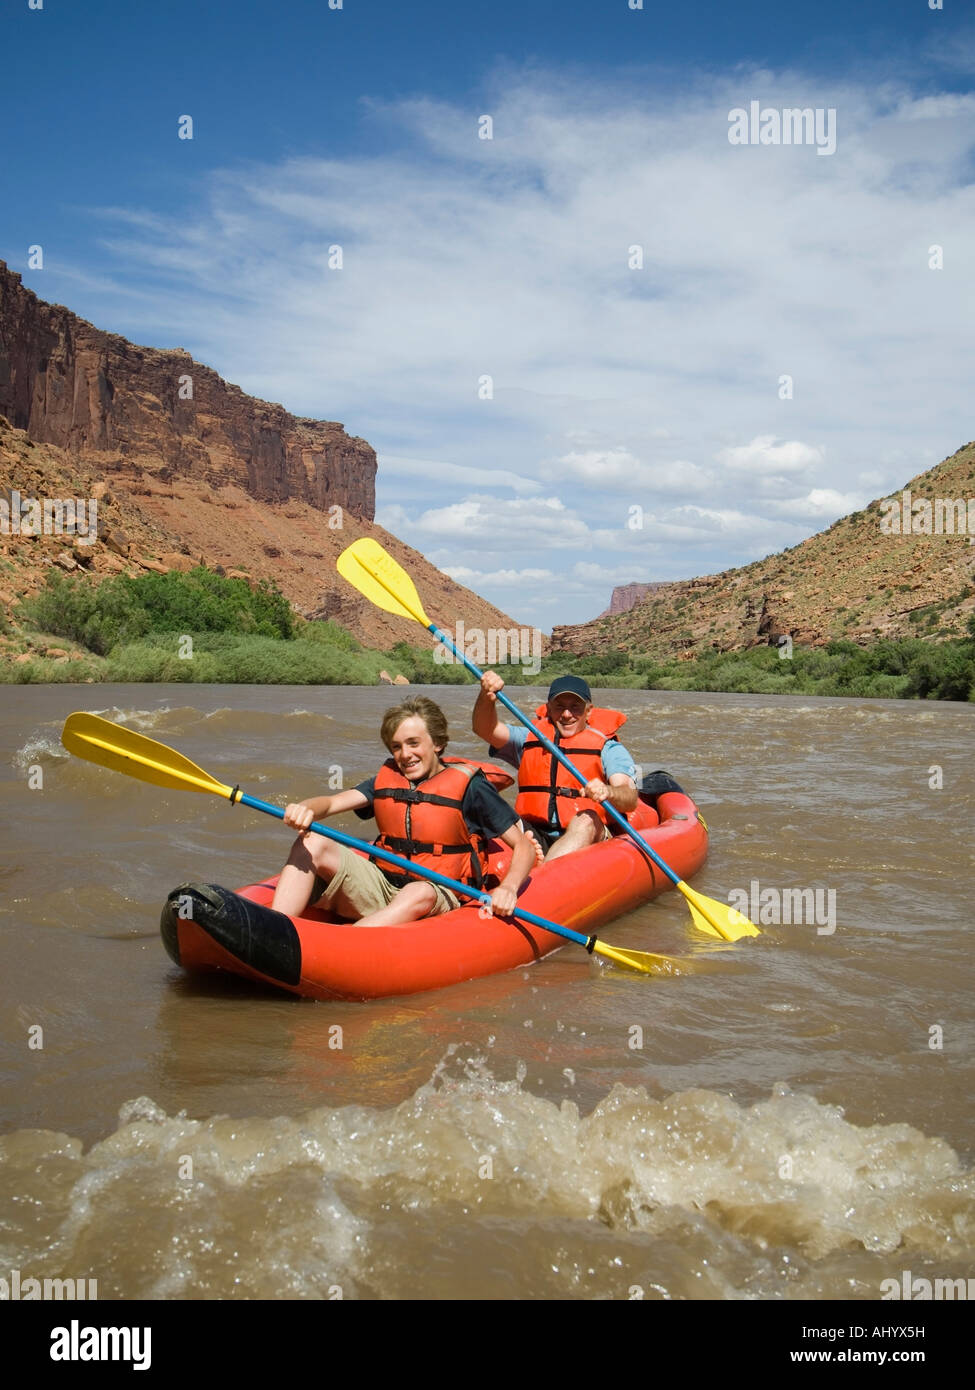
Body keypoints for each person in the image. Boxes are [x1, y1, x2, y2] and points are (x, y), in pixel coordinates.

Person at [272, 696, 536, 926]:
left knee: (419, 891)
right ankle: (272, 927)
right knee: (313, 840)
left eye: (413, 743)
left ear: (437, 743)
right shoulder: (387, 779)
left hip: (439, 892)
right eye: (396, 746)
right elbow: (331, 803)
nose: (405, 754)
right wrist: (305, 808)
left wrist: (509, 888)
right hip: (383, 885)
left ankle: (350, 942)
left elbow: (522, 846)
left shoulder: (472, 787)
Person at [472, 672, 638, 861]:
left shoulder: (609, 748)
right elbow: (484, 729)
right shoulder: (529, 738)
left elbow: (630, 797)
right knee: (494, 810)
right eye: (559, 707)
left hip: (588, 834)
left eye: (575, 707)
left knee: (585, 820)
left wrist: (609, 792)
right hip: (535, 831)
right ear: (549, 708)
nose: (567, 714)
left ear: (589, 710)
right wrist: (487, 697)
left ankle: (543, 874)